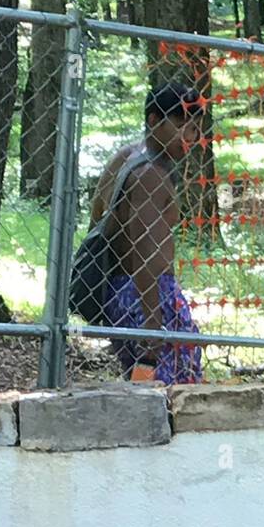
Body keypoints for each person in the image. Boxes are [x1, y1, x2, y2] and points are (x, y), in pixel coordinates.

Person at [88, 82, 204, 384]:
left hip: (119, 290)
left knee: (142, 386)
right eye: (180, 125)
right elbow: (144, 249)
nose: (188, 138)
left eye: (194, 128)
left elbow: (97, 214)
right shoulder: (151, 175)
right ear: (153, 121)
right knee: (174, 393)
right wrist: (152, 322)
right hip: (148, 297)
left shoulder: (127, 156)